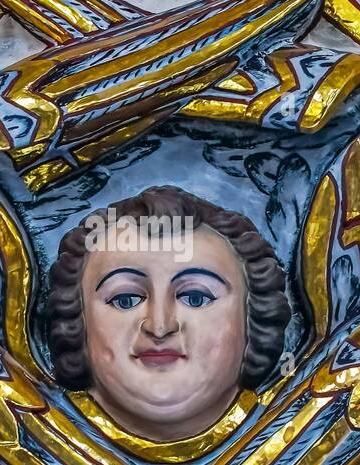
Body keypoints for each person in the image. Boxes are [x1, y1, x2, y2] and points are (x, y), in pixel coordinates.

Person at [47, 186, 290, 441]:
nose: (160, 326)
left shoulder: (294, 430)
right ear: (77, 320)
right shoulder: (44, 436)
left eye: (195, 298)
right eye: (126, 299)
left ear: (252, 318)